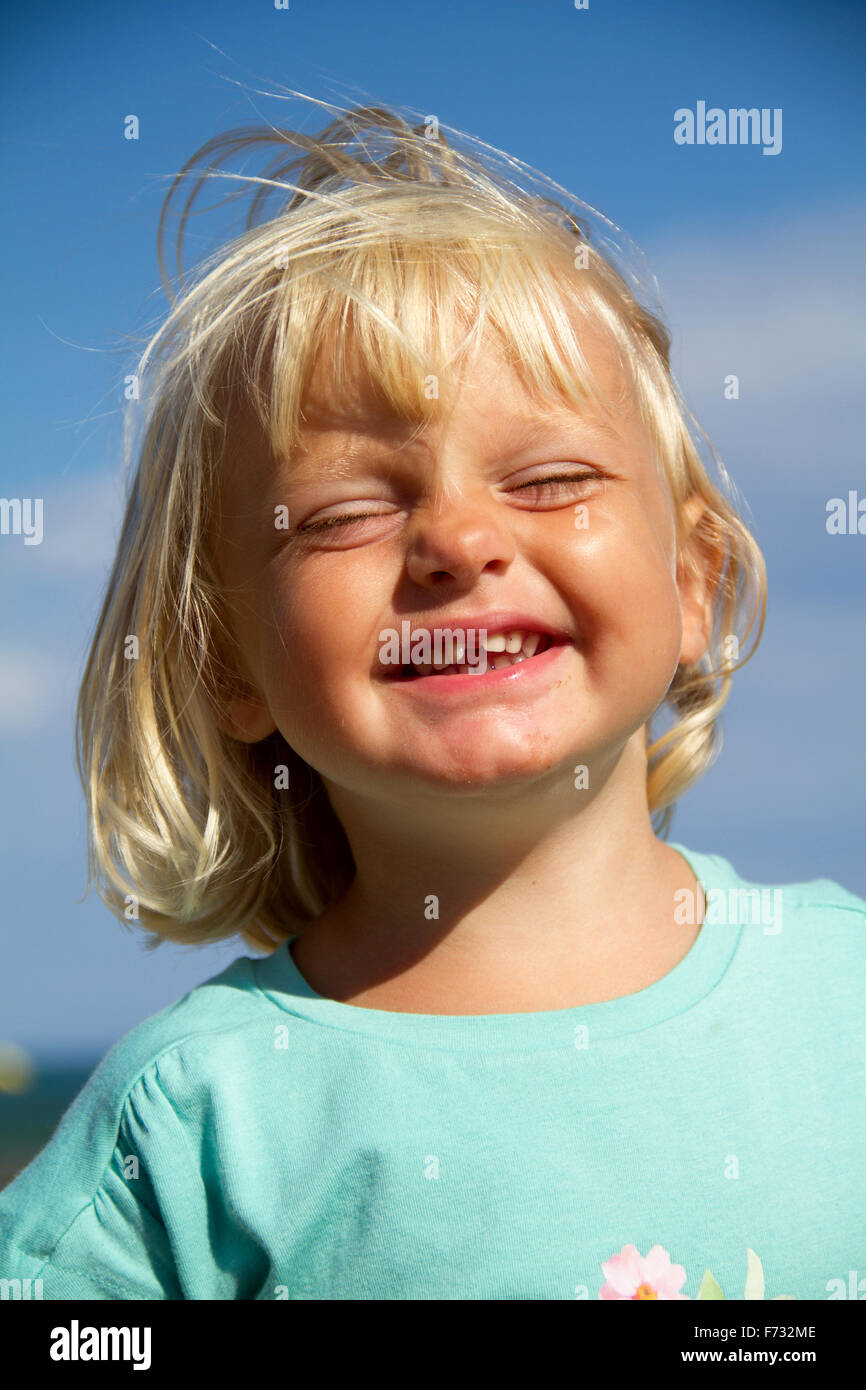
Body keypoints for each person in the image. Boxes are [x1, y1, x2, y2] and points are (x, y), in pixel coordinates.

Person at [1, 97, 863, 1301]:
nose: (457, 537)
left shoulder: (843, 993)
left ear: (690, 584)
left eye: (552, 478)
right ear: (228, 663)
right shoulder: (195, 1127)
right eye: (347, 513)